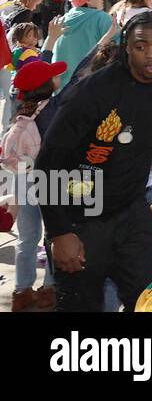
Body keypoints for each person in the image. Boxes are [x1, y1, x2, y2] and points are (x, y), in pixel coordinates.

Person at [37, 12, 152, 311]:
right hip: (80, 216)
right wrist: (59, 232)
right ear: (126, 48)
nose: (151, 54)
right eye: (140, 46)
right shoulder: (93, 91)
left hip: (132, 212)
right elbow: (47, 162)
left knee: (149, 301)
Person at [2, 58, 66, 311]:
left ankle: (21, 291)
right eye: (53, 76)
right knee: (53, 235)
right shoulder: (55, 110)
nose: (58, 77)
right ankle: (49, 289)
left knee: (27, 238)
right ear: (47, 86)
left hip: (21, 180)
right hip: (49, 181)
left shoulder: (21, 107)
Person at [52, 0, 113, 87]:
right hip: (89, 85)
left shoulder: (60, 21)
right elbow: (118, 47)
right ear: (88, 0)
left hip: (59, 88)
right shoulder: (101, 17)